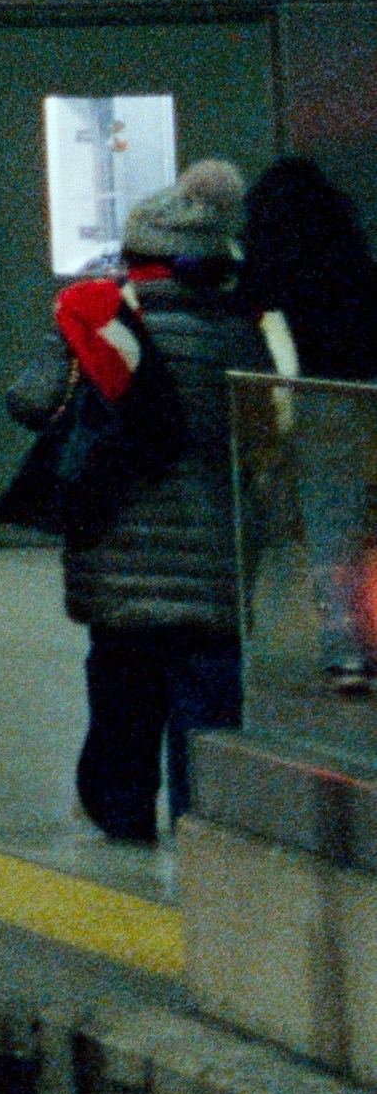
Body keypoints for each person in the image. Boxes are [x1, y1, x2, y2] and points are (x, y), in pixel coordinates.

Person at [16, 160, 259, 843]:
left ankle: (122, 811)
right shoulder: (243, 331)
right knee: (207, 701)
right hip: (215, 561)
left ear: (136, 252)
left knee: (122, 692)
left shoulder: (97, 321)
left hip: (117, 551)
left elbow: (29, 399)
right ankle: (201, 819)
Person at [236, 157, 368, 698]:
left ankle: (345, 649)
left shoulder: (276, 257)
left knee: (327, 523)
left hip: (322, 397)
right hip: (364, 394)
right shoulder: (350, 251)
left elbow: (247, 303)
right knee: (355, 524)